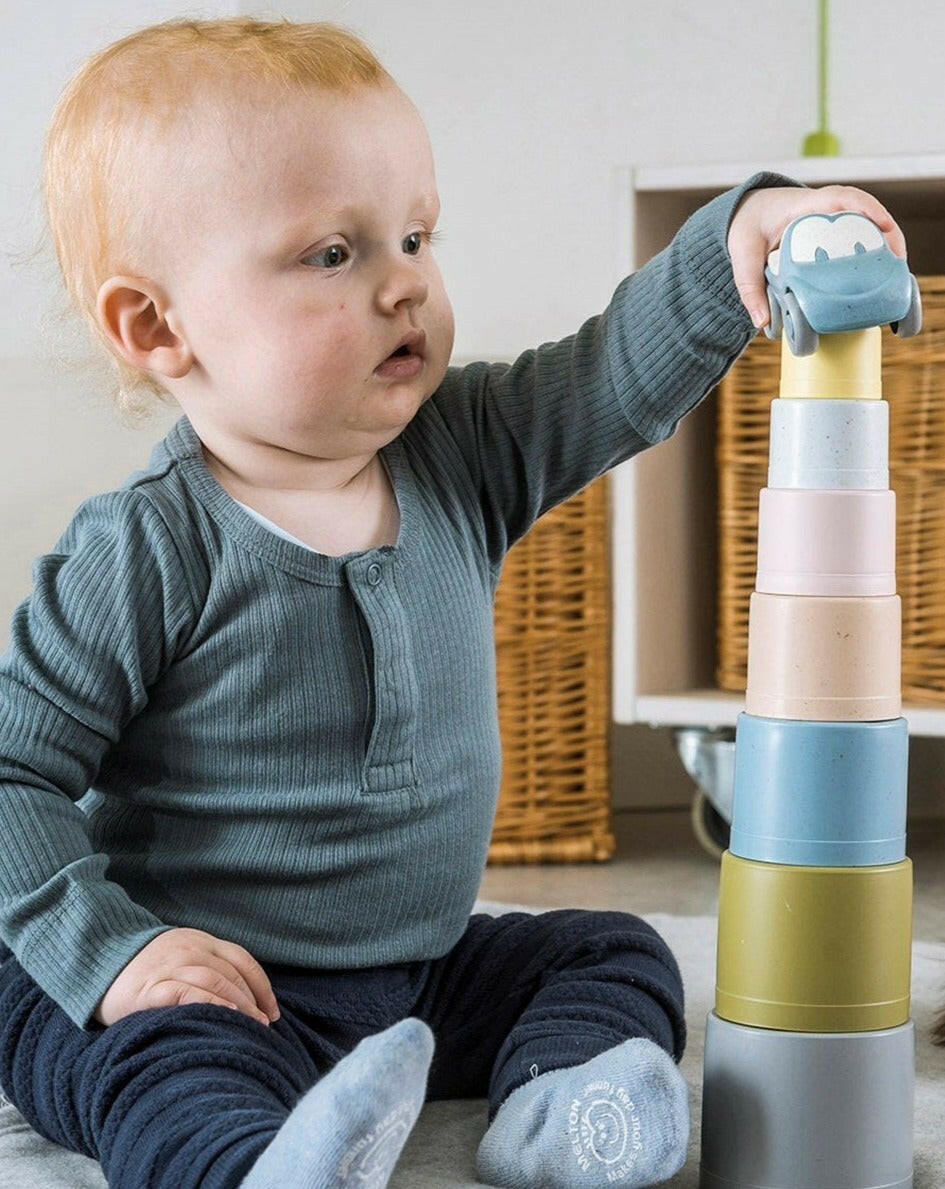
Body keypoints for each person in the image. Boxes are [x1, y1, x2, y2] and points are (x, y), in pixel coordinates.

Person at [0, 16, 907, 1189]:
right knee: (117, 1052)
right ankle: (259, 1167)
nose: (404, 285)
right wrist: (114, 953)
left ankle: (566, 1110)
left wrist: (741, 232)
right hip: (216, 980)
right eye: (334, 254)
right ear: (158, 326)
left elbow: (610, 371)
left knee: (615, 953)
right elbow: (13, 771)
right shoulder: (145, 546)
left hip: (420, 971)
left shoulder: (463, 451)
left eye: (417, 235)